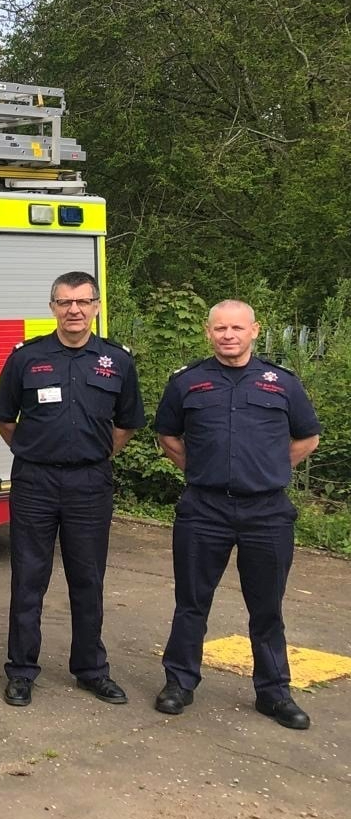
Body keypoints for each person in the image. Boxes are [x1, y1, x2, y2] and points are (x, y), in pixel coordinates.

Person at [152, 300, 320, 730]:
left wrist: (269, 470)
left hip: (266, 511)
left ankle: (274, 692)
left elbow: (307, 438)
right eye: (220, 328)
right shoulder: (187, 382)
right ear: (208, 333)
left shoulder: (281, 384)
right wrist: (199, 470)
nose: (229, 335)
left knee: (267, 606)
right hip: (203, 508)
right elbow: (167, 435)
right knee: (191, 601)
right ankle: (180, 683)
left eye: (237, 328)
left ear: (254, 331)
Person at [0, 271, 144, 708]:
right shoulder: (26, 358)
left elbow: (128, 422)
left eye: (83, 301)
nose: (74, 309)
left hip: (90, 483)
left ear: (96, 306)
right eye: (65, 302)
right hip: (35, 482)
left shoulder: (117, 361)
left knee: (88, 578)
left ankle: (91, 670)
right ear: (52, 307)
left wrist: (93, 454)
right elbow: (3, 416)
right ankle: (21, 672)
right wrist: (34, 448)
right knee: (28, 579)